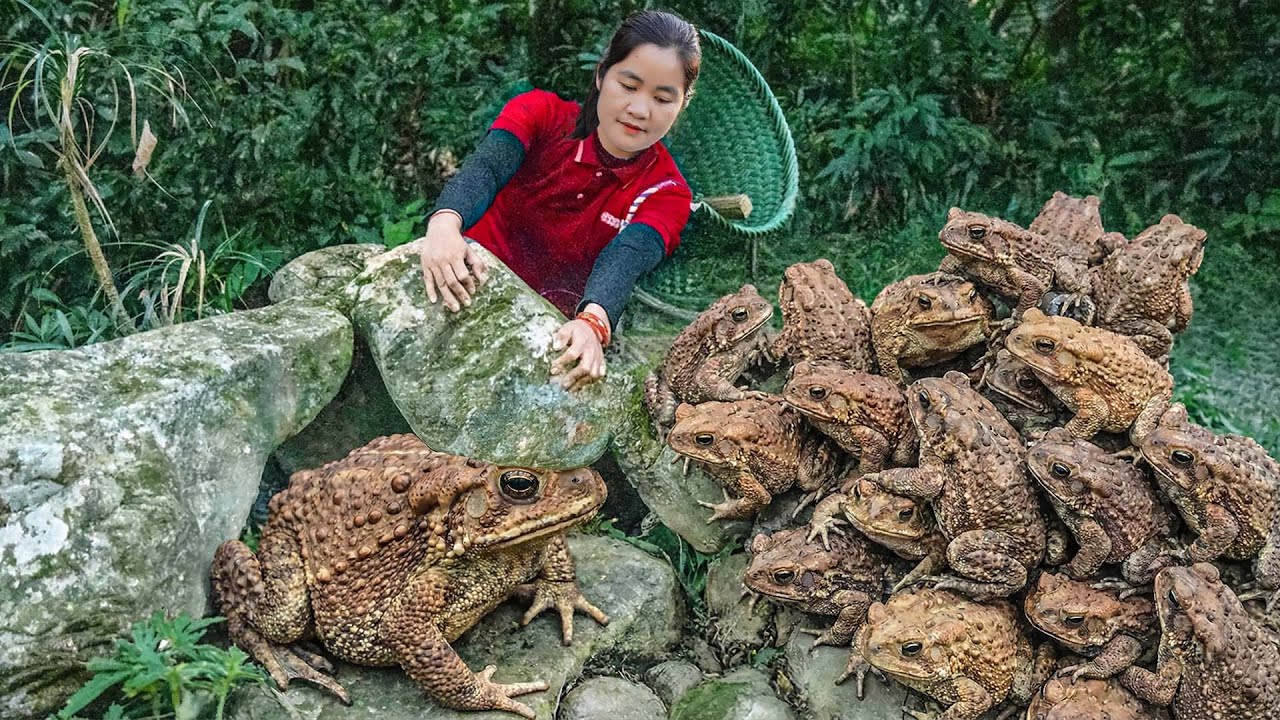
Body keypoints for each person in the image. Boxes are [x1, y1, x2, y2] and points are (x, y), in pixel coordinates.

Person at [414, 10, 700, 392]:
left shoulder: (668, 192)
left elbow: (628, 256)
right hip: (465, 281)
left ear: (682, 105)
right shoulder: (540, 115)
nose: (640, 110)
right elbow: (486, 169)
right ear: (601, 75)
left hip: (546, 334)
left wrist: (593, 322)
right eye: (629, 86)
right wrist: (444, 223)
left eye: (663, 98)